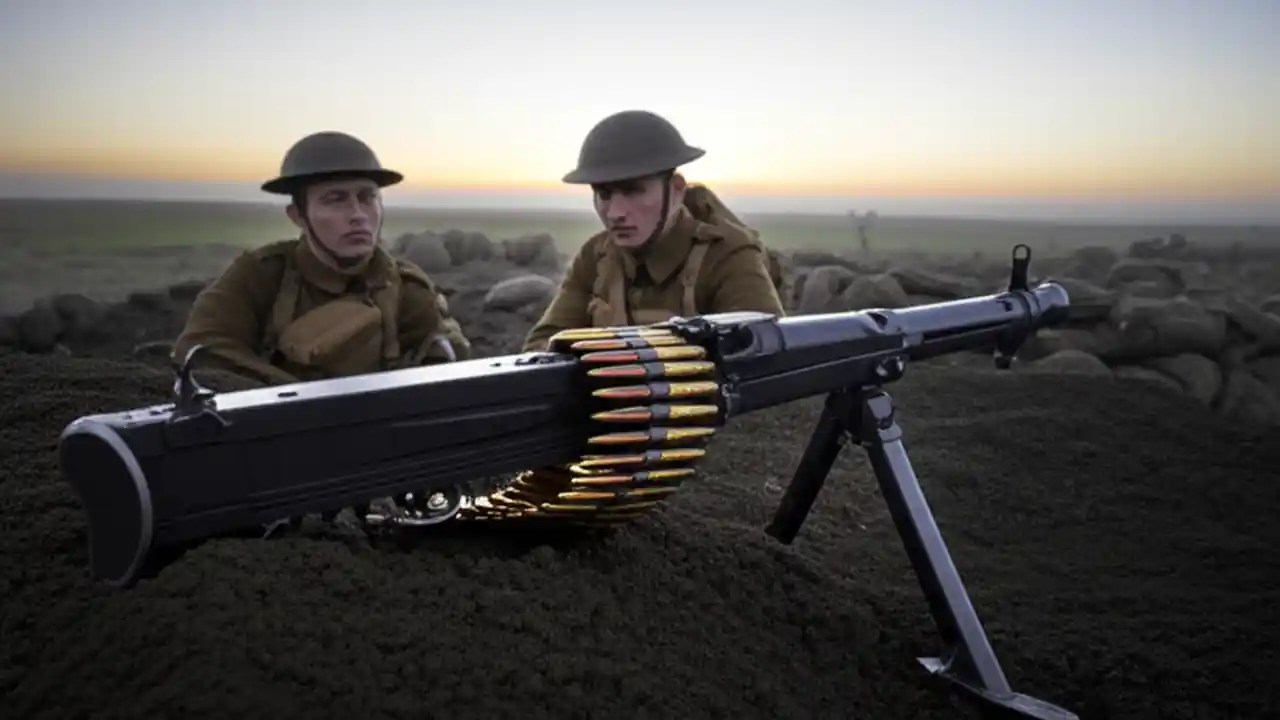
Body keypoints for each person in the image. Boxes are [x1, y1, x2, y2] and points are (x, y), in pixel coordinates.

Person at [173, 131, 471, 385]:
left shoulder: (407, 286)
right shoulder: (259, 276)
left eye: (367, 198)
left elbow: (442, 363)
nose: (357, 215)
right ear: (298, 216)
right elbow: (201, 352)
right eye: (335, 199)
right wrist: (299, 399)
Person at [522, 110, 786, 352]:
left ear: (676, 190)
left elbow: (764, 356)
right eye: (604, 194)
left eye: (633, 191)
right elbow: (541, 346)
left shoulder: (727, 255)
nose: (615, 212)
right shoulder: (594, 257)